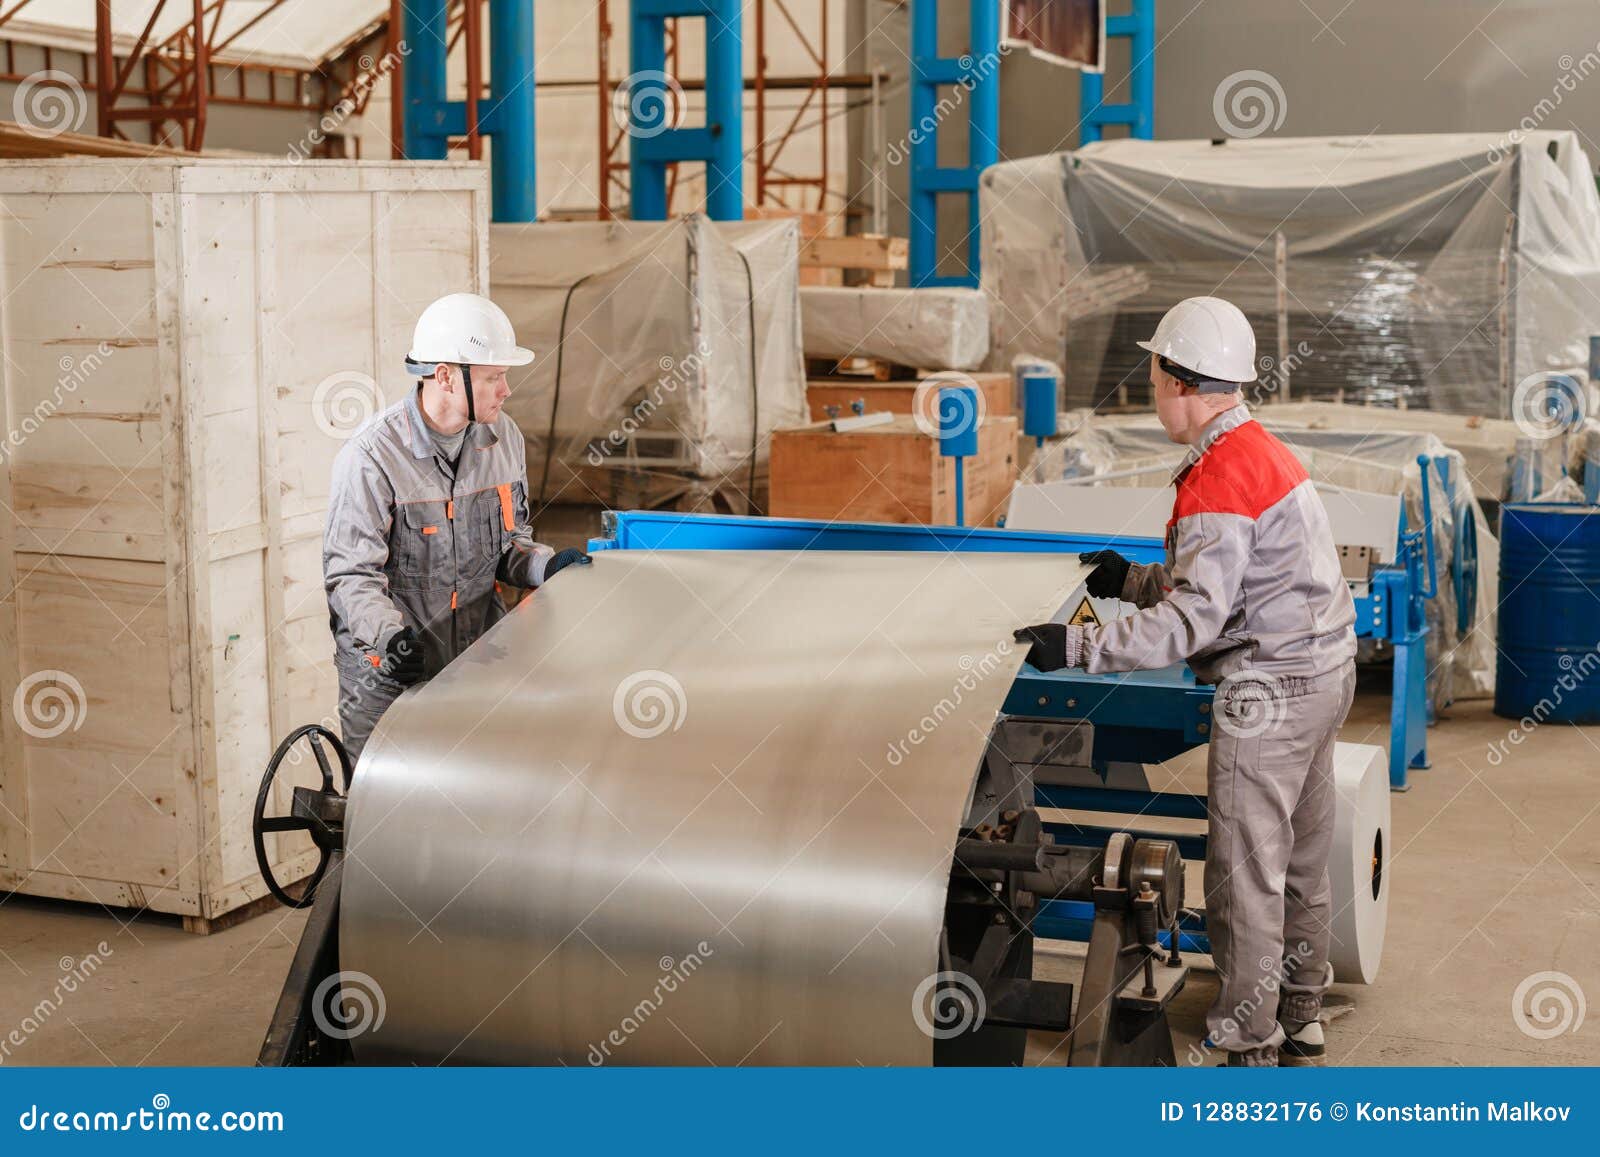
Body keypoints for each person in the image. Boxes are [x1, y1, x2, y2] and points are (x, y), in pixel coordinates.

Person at [1015, 296, 1357, 1067]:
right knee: (1301, 859)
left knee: (1244, 877)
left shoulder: (1216, 476)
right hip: (1323, 673)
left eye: (1154, 376)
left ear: (1181, 379)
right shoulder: (1261, 451)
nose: (1151, 390)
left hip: (1267, 692)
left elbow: (1193, 626)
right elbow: (1231, 582)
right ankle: (1299, 1012)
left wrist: (1074, 643)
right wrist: (1134, 580)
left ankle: (1246, 1042)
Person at [323, 292, 590, 763]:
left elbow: (509, 545)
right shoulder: (372, 458)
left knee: (472, 802)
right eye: (494, 377)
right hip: (389, 676)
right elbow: (351, 577)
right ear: (445, 377)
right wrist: (392, 639)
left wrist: (546, 566)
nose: (506, 390)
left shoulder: (503, 439)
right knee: (387, 816)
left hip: (476, 661)